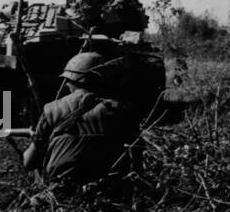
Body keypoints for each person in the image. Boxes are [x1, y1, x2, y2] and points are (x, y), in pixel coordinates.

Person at [22, 52, 144, 188]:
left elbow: (28, 162)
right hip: (107, 187)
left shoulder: (51, 109)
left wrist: (39, 140)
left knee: (35, 169)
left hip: (60, 189)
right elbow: (136, 157)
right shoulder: (121, 110)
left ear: (70, 81)